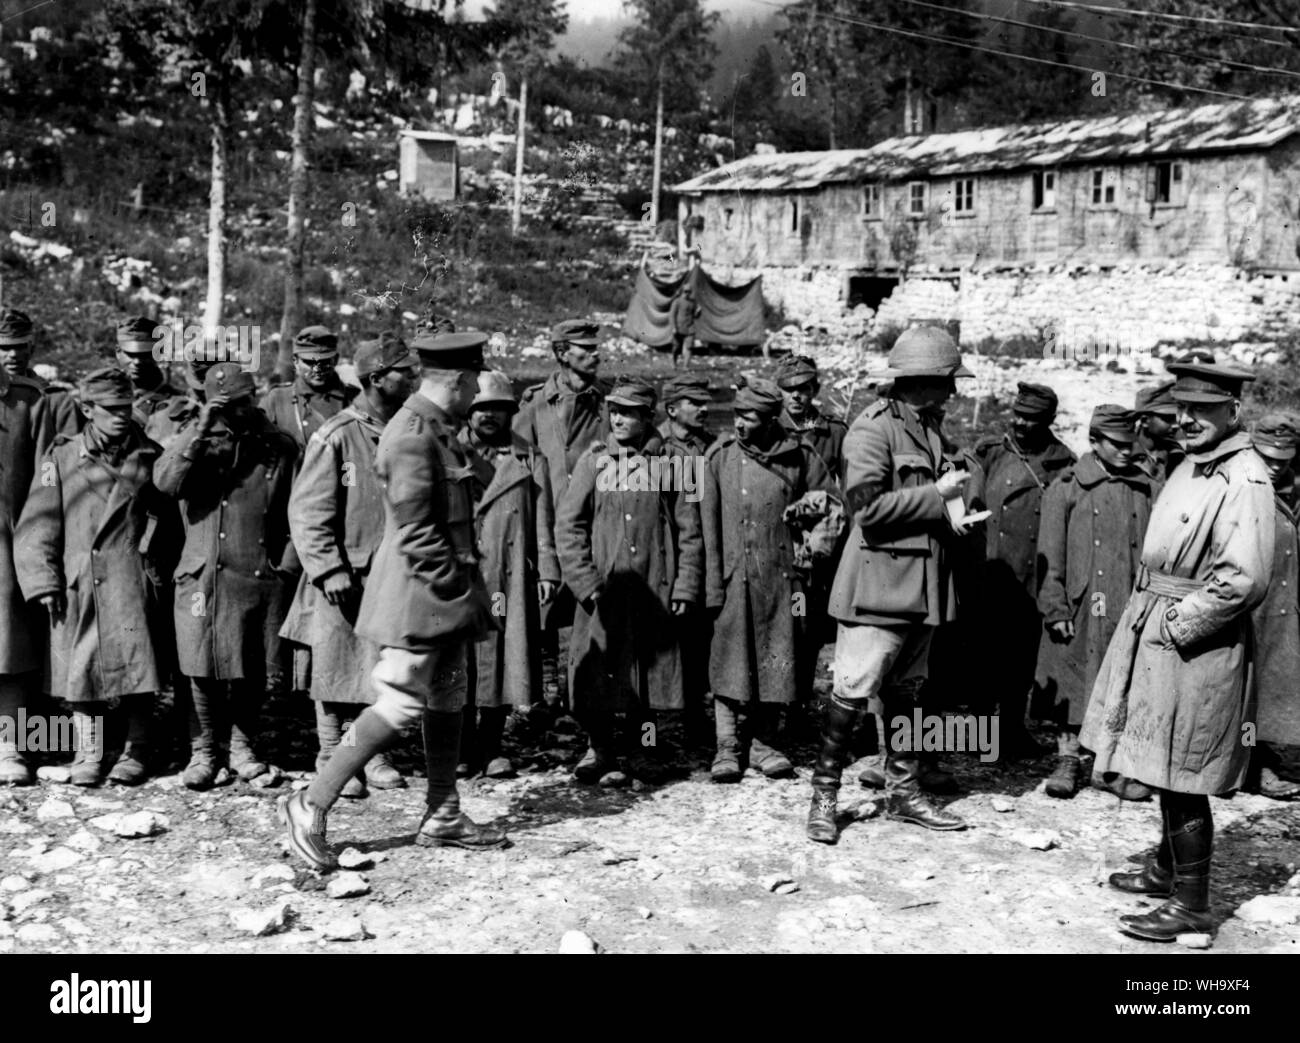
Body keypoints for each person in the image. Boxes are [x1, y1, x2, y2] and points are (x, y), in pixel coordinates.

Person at [278, 330, 507, 871]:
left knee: (449, 694)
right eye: (474, 379)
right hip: (420, 596)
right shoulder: (410, 433)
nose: (478, 388)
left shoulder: (438, 428)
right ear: (457, 379)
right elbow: (414, 529)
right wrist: (455, 587)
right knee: (401, 702)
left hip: (443, 593)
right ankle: (310, 803)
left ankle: (443, 812)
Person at [1083, 352, 1273, 942]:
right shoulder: (1194, 464)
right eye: (1182, 408)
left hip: (1197, 642)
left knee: (1183, 769)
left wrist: (1177, 624)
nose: (1187, 419)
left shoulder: (1245, 478)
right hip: (1158, 623)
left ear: (1233, 411)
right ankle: (1167, 871)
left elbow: (1243, 578)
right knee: (1158, 760)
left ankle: (1191, 907)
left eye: (1203, 410)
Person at [805, 326, 974, 844]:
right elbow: (869, 512)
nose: (954, 391)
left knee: (907, 693)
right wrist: (936, 494)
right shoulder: (871, 430)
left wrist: (956, 510)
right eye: (948, 381)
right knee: (853, 692)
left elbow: (940, 488)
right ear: (923, 380)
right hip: (878, 587)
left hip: (922, 585)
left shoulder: (928, 426)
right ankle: (824, 798)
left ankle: (903, 791)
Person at [15, 368, 176, 786]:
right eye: (111, 409)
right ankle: (88, 754)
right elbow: (37, 520)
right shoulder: (60, 458)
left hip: (132, 576)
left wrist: (156, 563)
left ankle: (136, 751)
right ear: (87, 409)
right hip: (79, 580)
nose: (122, 415)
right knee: (81, 671)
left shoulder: (150, 455)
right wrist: (44, 581)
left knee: (140, 666)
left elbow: (171, 519)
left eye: (126, 407)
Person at [280, 332, 417, 799]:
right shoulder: (337, 434)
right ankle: (331, 756)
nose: (414, 377)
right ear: (378, 379)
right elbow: (307, 511)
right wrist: (328, 568)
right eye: (406, 371)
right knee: (336, 670)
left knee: (380, 666)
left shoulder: (407, 430)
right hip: (346, 574)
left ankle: (370, 754)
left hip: (393, 574)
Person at [154, 363, 299, 789]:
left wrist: (285, 567)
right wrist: (199, 429)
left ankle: (241, 746)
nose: (238, 411)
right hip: (202, 575)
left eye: (244, 401)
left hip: (258, 572)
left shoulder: (277, 445)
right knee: (200, 664)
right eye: (227, 405)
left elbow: (301, 509)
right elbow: (165, 483)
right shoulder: (196, 442)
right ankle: (204, 751)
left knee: (252, 667)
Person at [556, 379, 702, 785]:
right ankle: (599, 749)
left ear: (647, 417)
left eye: (629, 412)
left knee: (649, 676)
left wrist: (686, 585)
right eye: (614, 412)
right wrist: (585, 582)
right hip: (605, 589)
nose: (618, 419)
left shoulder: (676, 462)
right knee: (599, 672)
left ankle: (643, 751)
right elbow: (569, 526)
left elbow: (691, 531)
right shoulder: (594, 461)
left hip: (655, 586)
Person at [700, 377, 829, 783]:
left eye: (750, 418)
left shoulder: (799, 456)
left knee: (778, 656)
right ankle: (727, 746)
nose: (740, 424)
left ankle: (764, 743)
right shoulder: (719, 457)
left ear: (772, 419)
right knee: (729, 659)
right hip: (734, 576)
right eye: (737, 415)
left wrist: (811, 544)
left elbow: (830, 505)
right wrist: (711, 583)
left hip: (783, 578)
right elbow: (705, 527)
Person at [1035, 405, 1155, 800]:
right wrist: (1055, 606)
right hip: (1082, 602)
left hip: (1126, 600)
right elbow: (1049, 554)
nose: (1126, 452)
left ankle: (1108, 767)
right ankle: (1067, 759)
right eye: (1116, 445)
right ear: (1093, 442)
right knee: (1072, 677)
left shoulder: (1144, 486)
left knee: (1121, 679)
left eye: (1130, 445)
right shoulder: (1067, 486)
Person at [458, 369, 560, 778]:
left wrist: (547, 569)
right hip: (461, 572)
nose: (488, 417)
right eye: (480, 409)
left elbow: (544, 519)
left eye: (498, 410)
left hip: (510, 572)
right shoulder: (449, 452)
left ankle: (491, 745)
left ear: (509, 413)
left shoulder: (530, 457)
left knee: (504, 657)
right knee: (461, 659)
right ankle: (462, 747)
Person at [971, 381, 1075, 757]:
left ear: (1048, 420)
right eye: (1017, 414)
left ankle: (1011, 729)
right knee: (983, 652)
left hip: (1034, 573)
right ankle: (980, 733)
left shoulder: (1063, 462)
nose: (1020, 423)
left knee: (1022, 656)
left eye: (1031, 418)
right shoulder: (990, 453)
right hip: (991, 571)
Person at [513, 320, 610, 715]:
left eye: (595, 347)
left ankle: (581, 693)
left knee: (588, 604)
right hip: (545, 515)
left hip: (592, 520)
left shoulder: (605, 405)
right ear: (561, 353)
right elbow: (518, 459)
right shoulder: (535, 405)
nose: (596, 355)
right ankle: (546, 689)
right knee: (543, 608)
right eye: (585, 349)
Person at [0, 309, 57, 785]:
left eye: (15, 344)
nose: (8, 354)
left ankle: (11, 745)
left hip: (7, 540)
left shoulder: (29, 401)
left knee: (10, 646)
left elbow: (44, 481)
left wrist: (31, 544)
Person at [1245, 413, 1300, 800]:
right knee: (1243, 690)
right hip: (1250, 607)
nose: (1277, 465)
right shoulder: (1237, 488)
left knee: (1273, 690)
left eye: (1284, 457)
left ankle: (1261, 763)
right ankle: (1247, 769)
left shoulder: (1295, 489)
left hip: (1287, 606)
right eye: (1269, 457)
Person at [658, 373, 714, 743]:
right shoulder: (657, 449)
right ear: (672, 409)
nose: (705, 408)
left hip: (702, 557)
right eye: (695, 402)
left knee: (699, 643)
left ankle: (694, 717)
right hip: (666, 559)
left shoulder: (709, 446)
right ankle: (658, 727)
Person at [259, 326, 359, 454]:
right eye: (309, 362)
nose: (317, 369)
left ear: (335, 360)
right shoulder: (277, 399)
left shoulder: (355, 399)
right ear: (295, 361)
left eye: (325, 361)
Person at [0, 306, 79, 435]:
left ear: (31, 350)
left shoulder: (55, 401)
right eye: (5, 347)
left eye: (20, 346)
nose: (13, 354)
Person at [114, 317, 186, 431]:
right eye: (131, 354)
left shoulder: (178, 403)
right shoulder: (103, 393)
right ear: (118, 352)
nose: (137, 362)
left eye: (144, 355)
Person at [1132, 381, 1184, 482]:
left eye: (1176, 418)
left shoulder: (1177, 455)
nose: (1176, 425)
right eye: (1168, 419)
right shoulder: (1123, 454)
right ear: (1145, 421)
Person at [669, 279, 697, 368]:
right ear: (682, 291)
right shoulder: (677, 302)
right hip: (679, 327)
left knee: (689, 347)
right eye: (685, 291)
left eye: (689, 292)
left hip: (690, 328)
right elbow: (672, 315)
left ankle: (685, 366)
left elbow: (694, 315)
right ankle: (673, 362)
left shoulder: (692, 303)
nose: (687, 293)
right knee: (676, 347)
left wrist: (698, 312)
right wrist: (673, 327)